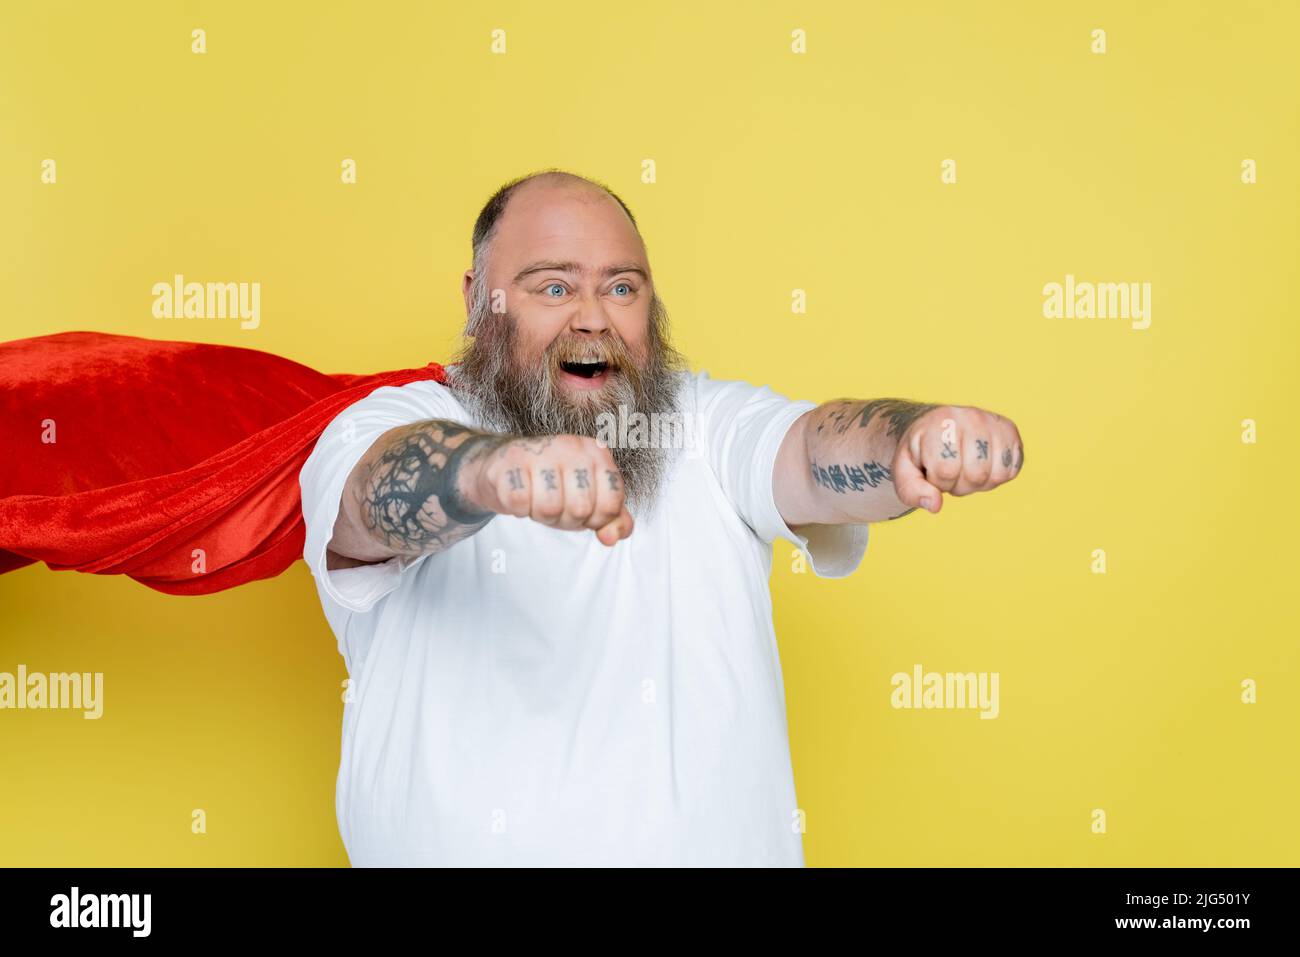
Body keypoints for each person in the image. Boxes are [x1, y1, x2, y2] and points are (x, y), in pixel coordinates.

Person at [298, 168, 1024, 866]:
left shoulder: (704, 424)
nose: (592, 318)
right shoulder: (392, 423)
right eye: (553, 286)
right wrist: (495, 471)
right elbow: (369, 502)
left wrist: (906, 439)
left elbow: (806, 452)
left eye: (621, 288)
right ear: (477, 297)